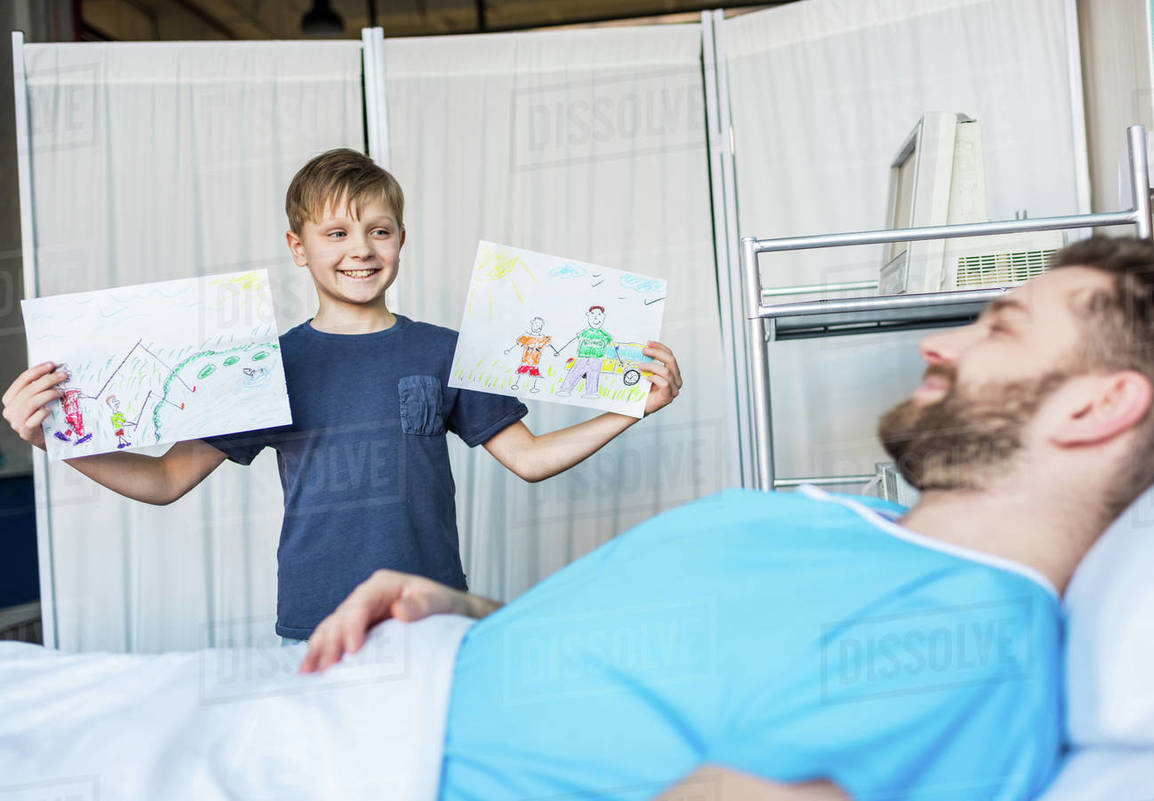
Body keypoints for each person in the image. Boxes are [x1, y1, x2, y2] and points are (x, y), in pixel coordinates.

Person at [297, 237, 1154, 800]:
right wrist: (475, 616)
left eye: (1000, 327)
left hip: (363, 761)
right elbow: (676, 672)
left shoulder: (963, 640)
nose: (942, 339)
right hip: (369, 689)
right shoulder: (853, 524)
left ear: (1096, 407)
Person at [0, 148, 683, 642]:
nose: (361, 249)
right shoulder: (264, 363)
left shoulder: (445, 350)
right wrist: (56, 440)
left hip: (430, 610)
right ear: (298, 248)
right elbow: (165, 477)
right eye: (336, 233)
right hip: (317, 618)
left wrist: (628, 406)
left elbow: (529, 457)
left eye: (378, 231)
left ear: (401, 241)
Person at [555, 304, 614, 399]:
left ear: (603, 317)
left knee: (593, 375)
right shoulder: (584, 332)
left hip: (597, 359)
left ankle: (591, 392)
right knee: (574, 373)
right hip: (582, 357)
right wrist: (559, 350)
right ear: (588, 315)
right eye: (593, 314)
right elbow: (572, 340)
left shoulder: (605, 335)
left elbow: (613, 345)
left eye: (599, 314)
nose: (596, 317)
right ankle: (565, 389)